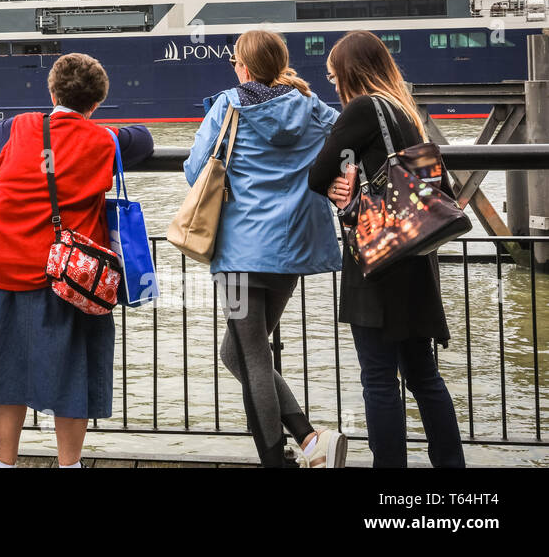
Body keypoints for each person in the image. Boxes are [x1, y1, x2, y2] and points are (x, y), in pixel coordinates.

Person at [0, 53, 153, 468]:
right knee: (75, 367)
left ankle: (4, 463)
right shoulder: (104, 141)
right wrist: (103, 129)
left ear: (51, 91)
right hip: (70, 274)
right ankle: (68, 464)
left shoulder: (13, 128)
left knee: (4, 368)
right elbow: (143, 140)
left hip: (1, 263)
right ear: (97, 103)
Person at [185, 29, 345, 468]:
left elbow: (196, 170)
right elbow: (344, 151)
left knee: (251, 357)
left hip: (238, 257)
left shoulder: (230, 105)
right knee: (236, 352)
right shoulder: (313, 107)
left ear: (242, 66)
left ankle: (278, 462)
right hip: (289, 252)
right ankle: (310, 440)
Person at [308, 30, 465, 468]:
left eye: (334, 75)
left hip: (378, 259)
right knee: (424, 376)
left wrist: (345, 176)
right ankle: (451, 465)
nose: (333, 84)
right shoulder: (404, 110)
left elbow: (318, 174)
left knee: (378, 379)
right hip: (416, 255)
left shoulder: (361, 108)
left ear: (349, 72)